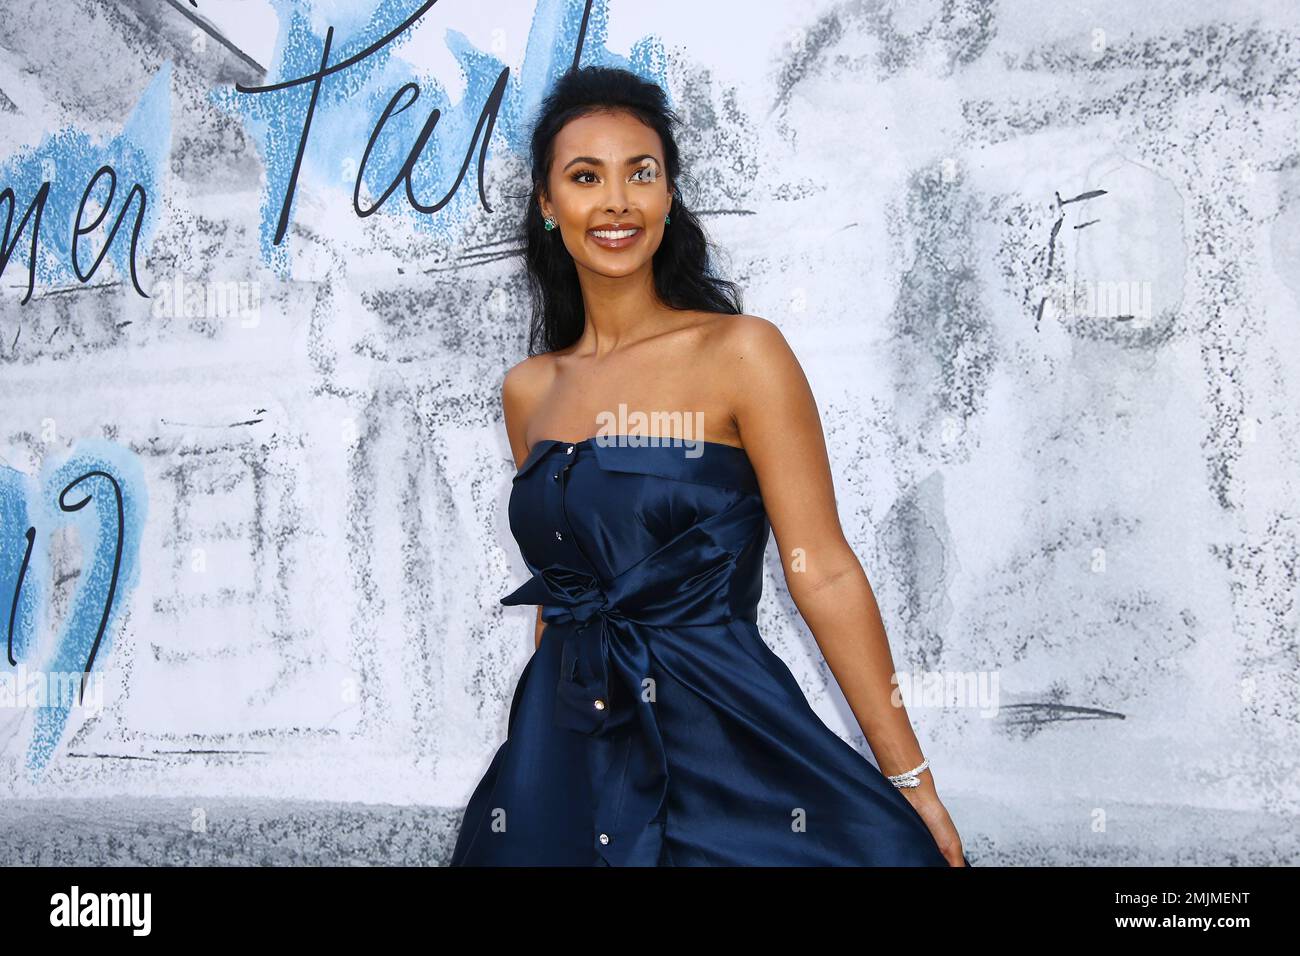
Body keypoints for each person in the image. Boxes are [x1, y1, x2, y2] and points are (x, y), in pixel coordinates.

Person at [449, 65, 970, 866]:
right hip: (561, 751)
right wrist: (536, 767)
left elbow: (822, 570)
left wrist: (911, 779)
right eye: (586, 177)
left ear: (667, 197)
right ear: (549, 207)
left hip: (728, 745)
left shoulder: (743, 353)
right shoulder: (528, 391)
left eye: (642, 173)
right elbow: (565, 599)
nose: (617, 199)